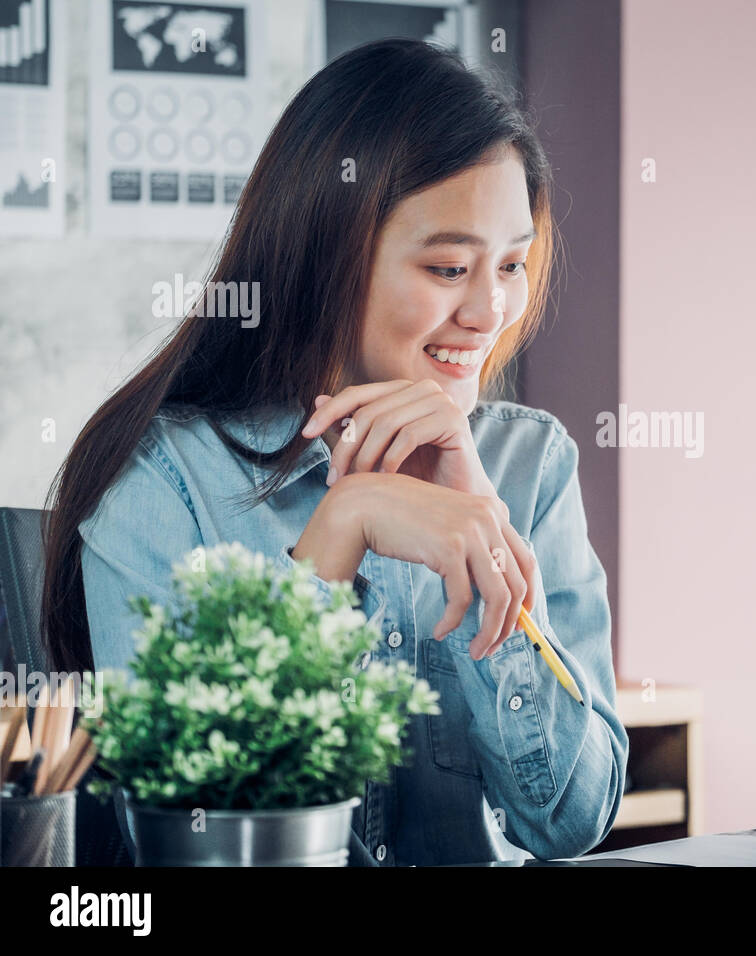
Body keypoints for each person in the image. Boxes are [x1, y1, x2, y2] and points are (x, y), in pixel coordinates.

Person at [41, 38, 627, 866]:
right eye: (450, 266)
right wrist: (334, 541)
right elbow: (202, 829)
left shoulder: (530, 465)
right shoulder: (166, 483)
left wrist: (486, 537)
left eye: (513, 265)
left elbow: (573, 820)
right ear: (325, 254)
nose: (490, 310)